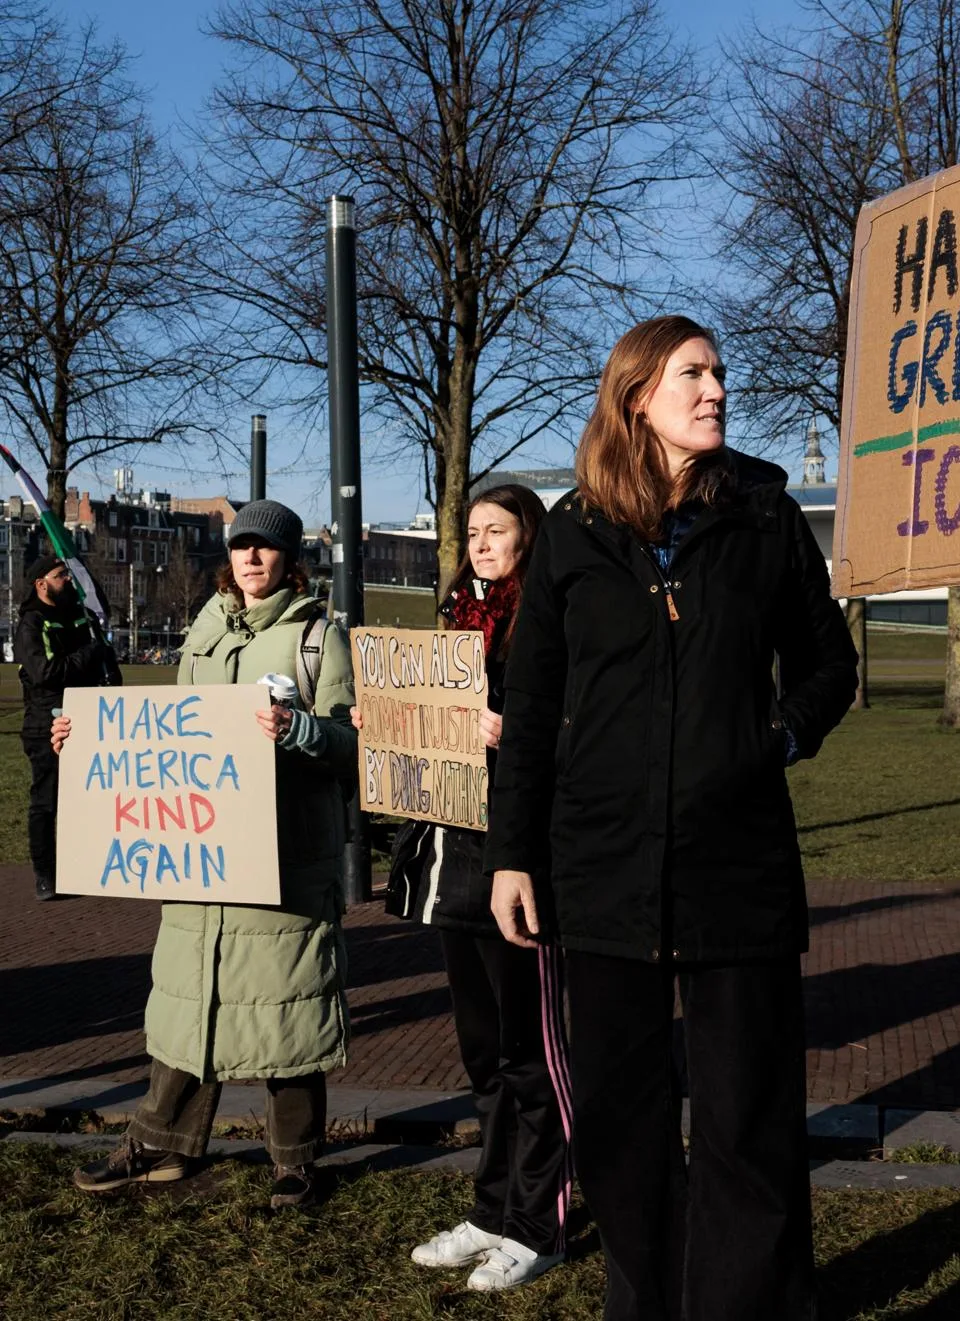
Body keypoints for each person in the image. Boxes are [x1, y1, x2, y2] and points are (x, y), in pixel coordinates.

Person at [486, 315, 857, 1320]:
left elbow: (830, 664)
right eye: (692, 373)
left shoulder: (765, 516)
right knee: (621, 1123)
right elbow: (529, 709)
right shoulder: (569, 534)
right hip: (599, 870)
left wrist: (770, 737)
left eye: (721, 374)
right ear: (635, 394)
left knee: (749, 1120)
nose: (717, 390)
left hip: (736, 865)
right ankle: (645, 1300)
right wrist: (513, 853)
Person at [59, 499, 356, 1211]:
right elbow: (169, 738)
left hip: (284, 858)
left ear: (291, 558)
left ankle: (295, 1159)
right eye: (242, 546)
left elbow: (352, 744)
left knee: (289, 1007)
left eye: (266, 547)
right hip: (200, 861)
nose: (252, 557)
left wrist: (297, 731)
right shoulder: (204, 627)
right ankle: (158, 1141)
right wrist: (87, 741)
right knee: (189, 1006)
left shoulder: (317, 635)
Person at [380, 483, 571, 1292]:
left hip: (525, 856)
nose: (481, 543)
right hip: (455, 859)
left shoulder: (552, 617)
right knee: (484, 1052)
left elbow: (585, 729)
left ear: (531, 536)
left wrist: (516, 729)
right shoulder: (459, 618)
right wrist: (392, 720)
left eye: (497, 530)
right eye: (472, 532)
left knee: (534, 1055)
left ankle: (541, 1222)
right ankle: (492, 1210)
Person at [15, 553, 120, 899]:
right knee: (46, 801)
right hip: (47, 723)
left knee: (92, 798)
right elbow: (45, 673)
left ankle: (88, 865)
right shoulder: (33, 623)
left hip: (92, 719)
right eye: (62, 576)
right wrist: (91, 654)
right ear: (41, 584)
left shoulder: (84, 617)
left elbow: (105, 662)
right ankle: (45, 874)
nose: (70, 582)